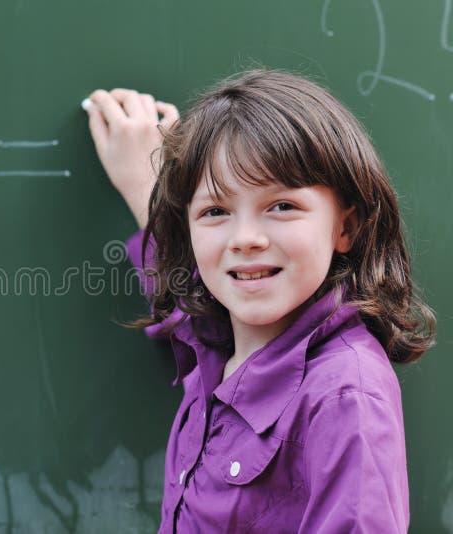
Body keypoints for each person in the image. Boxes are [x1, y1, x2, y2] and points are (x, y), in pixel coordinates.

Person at [84, 69, 436, 533]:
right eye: (215, 211)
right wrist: (143, 188)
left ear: (345, 227)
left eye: (282, 206)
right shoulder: (216, 341)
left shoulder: (345, 395)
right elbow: (183, 293)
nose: (246, 238)